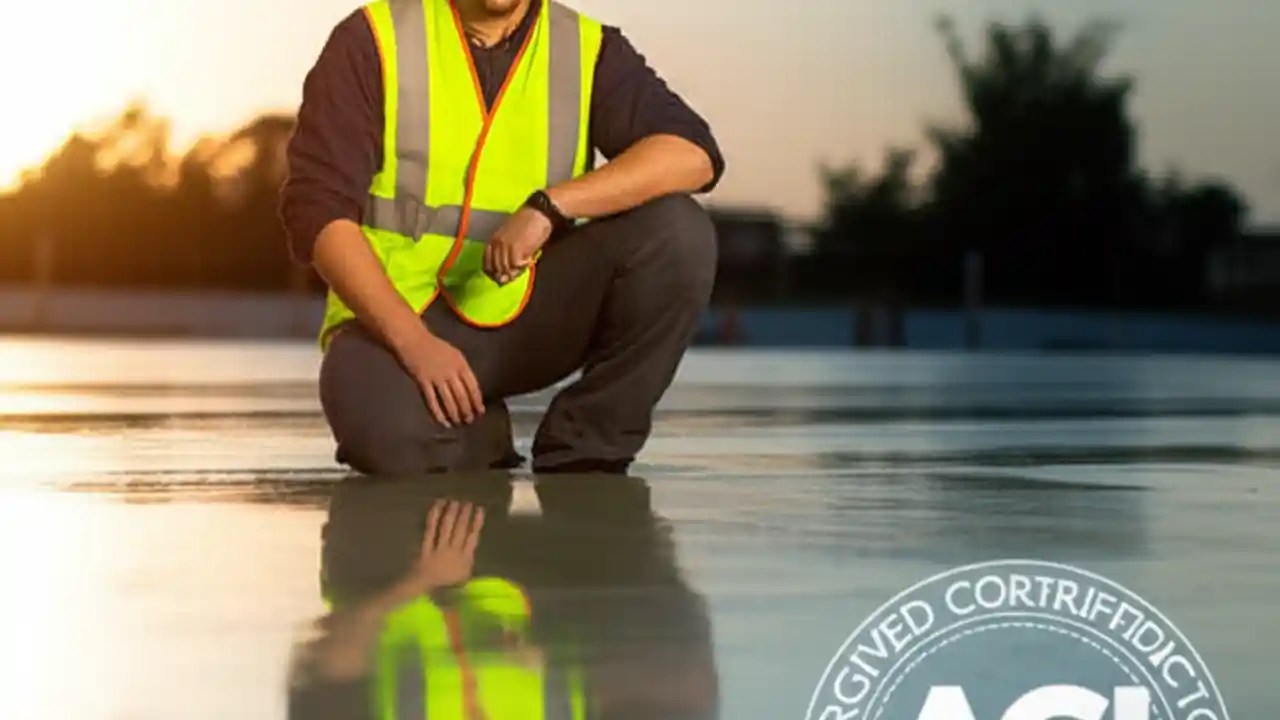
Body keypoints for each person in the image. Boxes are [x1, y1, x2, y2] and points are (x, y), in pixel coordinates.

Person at [280, 0, 725, 476]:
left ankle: (586, 443)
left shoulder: (586, 48)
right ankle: (480, 433)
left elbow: (693, 155)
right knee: (384, 435)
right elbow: (319, 212)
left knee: (678, 232)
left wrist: (550, 207)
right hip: (395, 318)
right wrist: (415, 343)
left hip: (530, 307)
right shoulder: (373, 37)